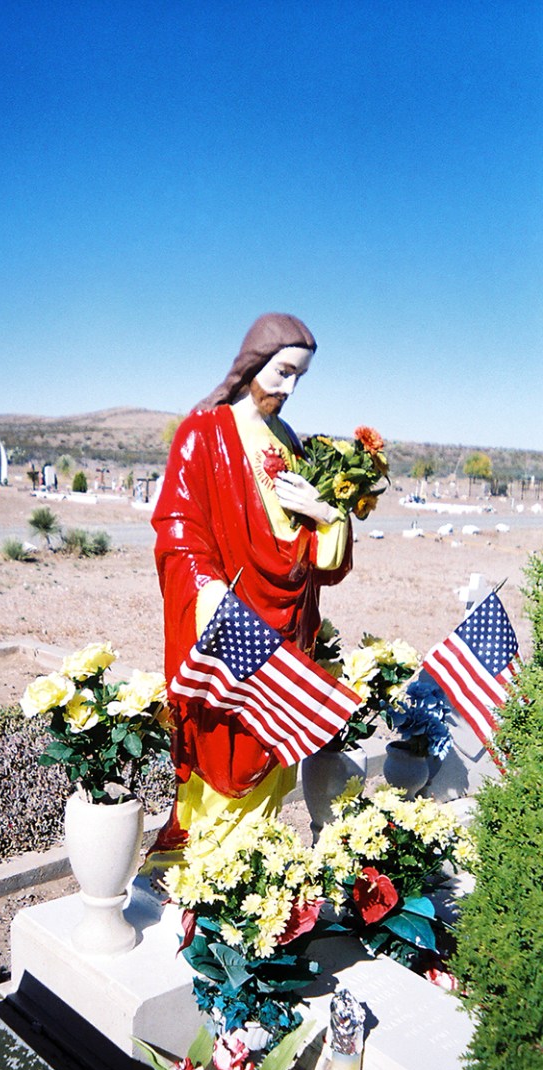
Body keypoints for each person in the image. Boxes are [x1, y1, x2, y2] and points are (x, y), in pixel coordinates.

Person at [151, 312, 352, 851]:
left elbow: (318, 559)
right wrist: (210, 592)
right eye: (281, 371)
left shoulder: (291, 441)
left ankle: (246, 884)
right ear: (252, 363)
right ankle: (205, 880)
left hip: (288, 631)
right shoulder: (204, 431)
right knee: (224, 740)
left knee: (272, 754)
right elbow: (177, 530)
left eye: (298, 377)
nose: (287, 388)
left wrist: (327, 514)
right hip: (230, 628)